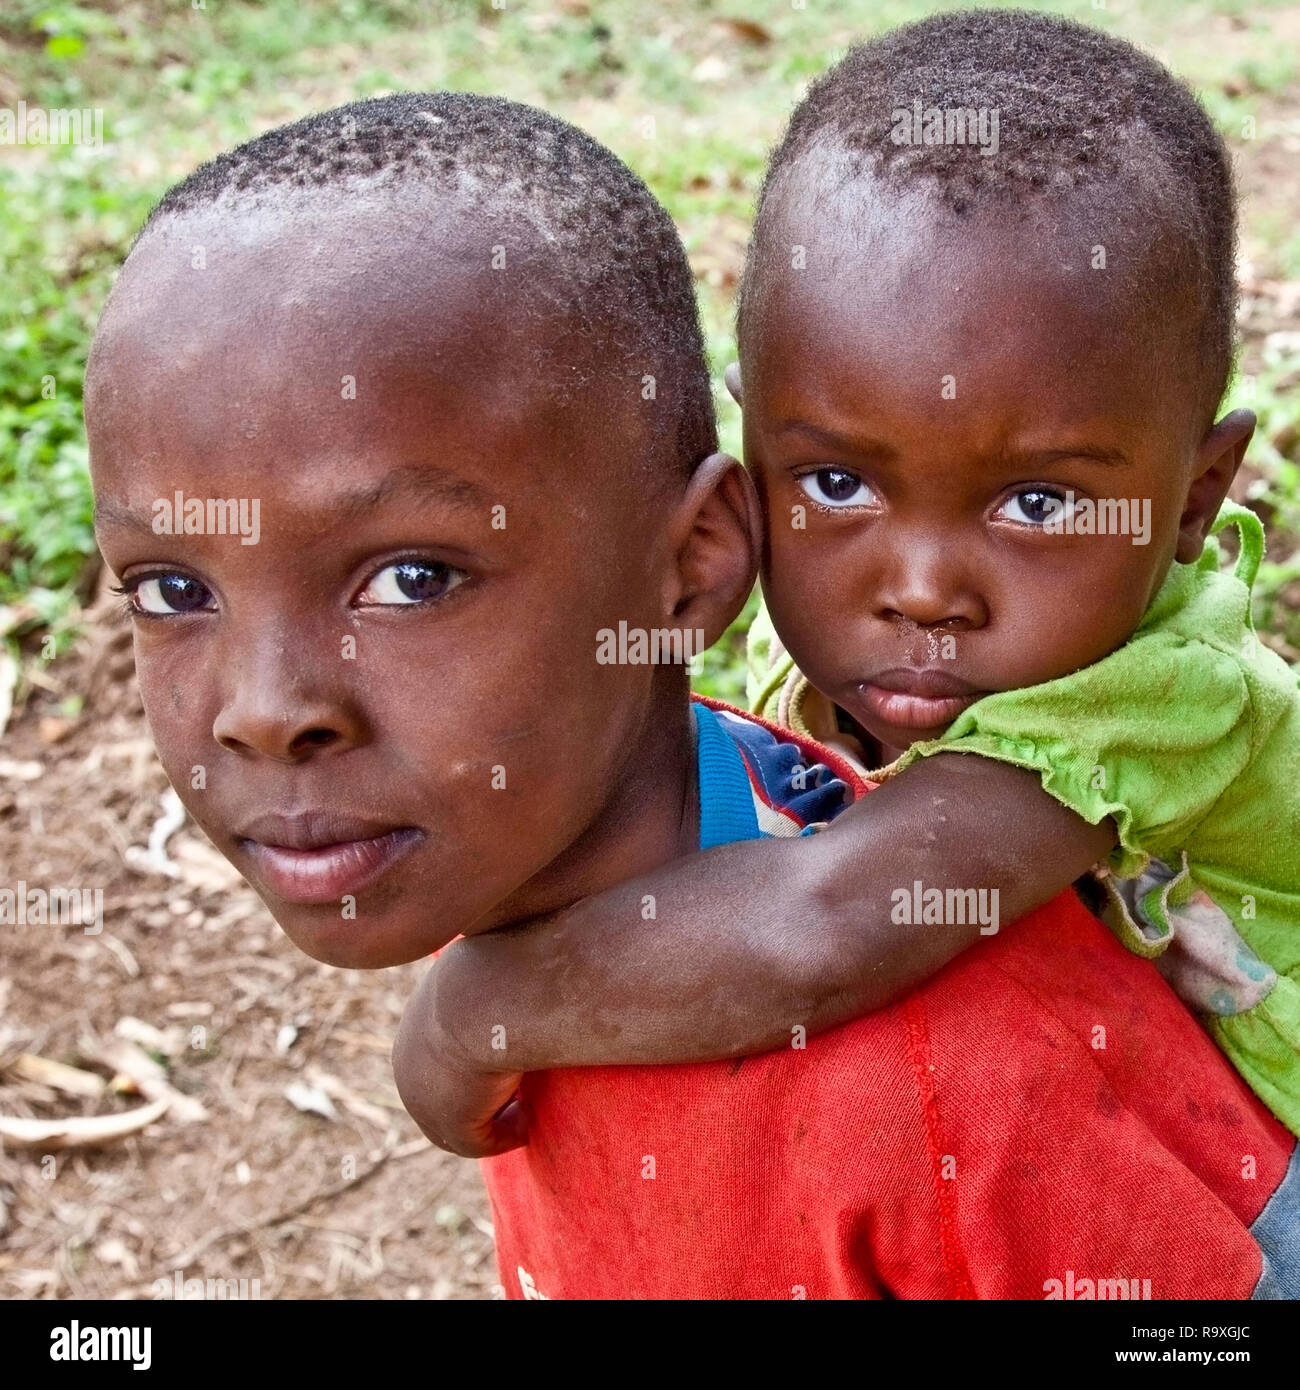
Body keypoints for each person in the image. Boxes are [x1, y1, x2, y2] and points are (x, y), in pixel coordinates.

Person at [84, 87, 1295, 1301]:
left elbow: (821, 931)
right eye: (172, 587)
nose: (262, 707)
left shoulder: (943, 1071)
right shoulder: (522, 843)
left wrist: (476, 1012)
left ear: (692, 567)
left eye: (413, 577)